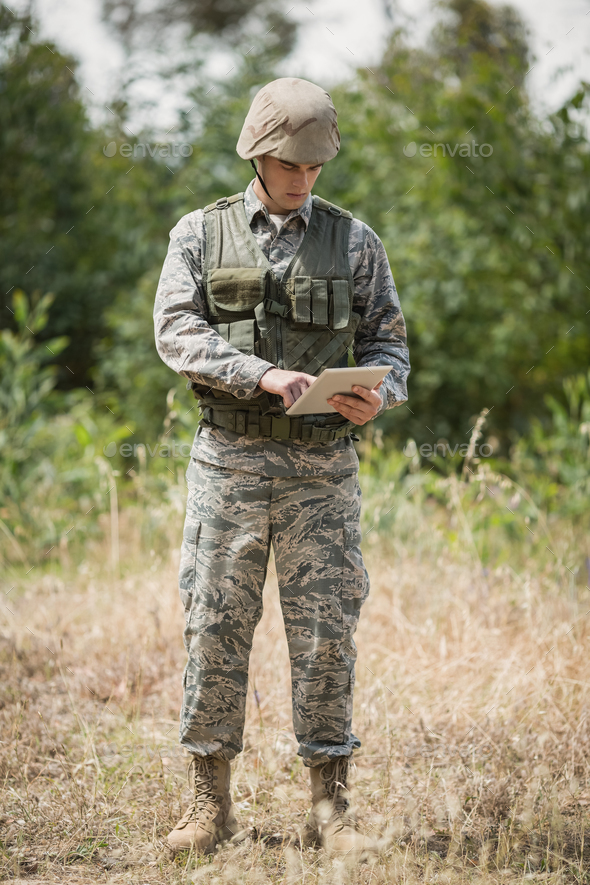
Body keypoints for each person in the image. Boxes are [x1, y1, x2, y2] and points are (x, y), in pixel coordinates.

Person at [153, 77, 410, 859]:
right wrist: (257, 373)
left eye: (314, 167)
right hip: (226, 463)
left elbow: (389, 346)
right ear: (259, 156)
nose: (303, 180)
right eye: (290, 165)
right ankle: (208, 805)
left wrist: (379, 392)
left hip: (320, 470)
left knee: (328, 632)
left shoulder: (356, 241)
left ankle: (330, 810)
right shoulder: (199, 233)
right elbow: (174, 330)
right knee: (215, 627)